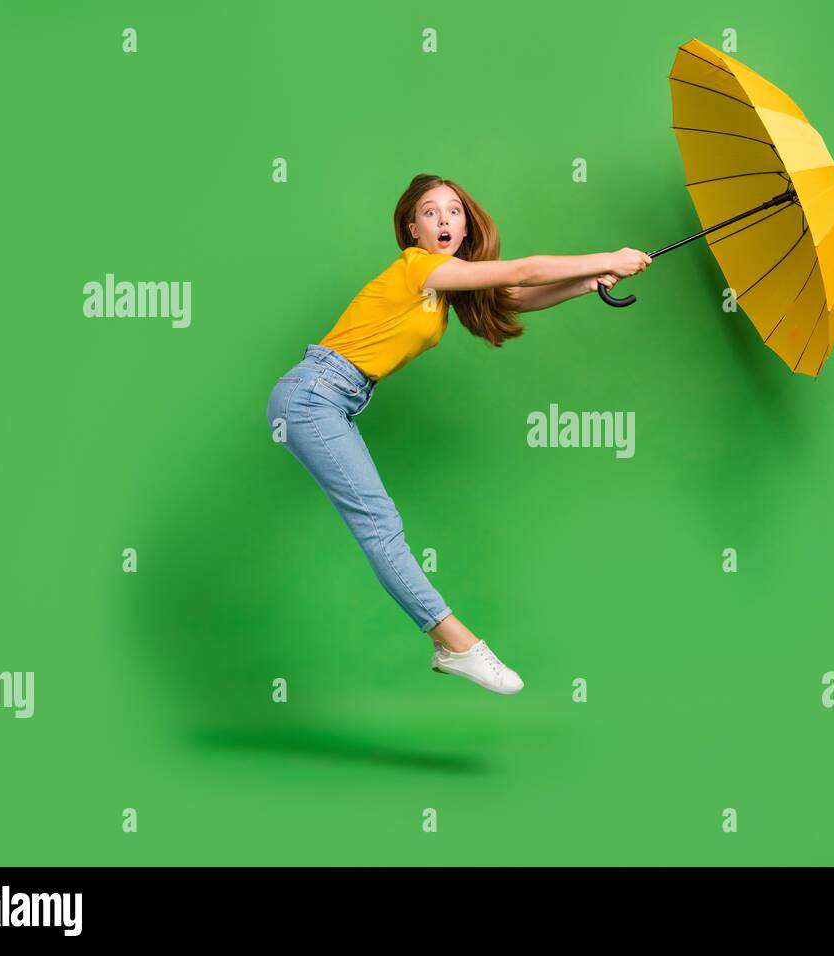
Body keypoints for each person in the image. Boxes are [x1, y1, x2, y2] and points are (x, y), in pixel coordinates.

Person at [266, 173, 652, 695]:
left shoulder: (444, 286)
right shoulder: (418, 268)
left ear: (466, 225)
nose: (445, 219)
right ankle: (457, 643)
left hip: (332, 398)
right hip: (313, 395)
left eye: (453, 211)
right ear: (412, 229)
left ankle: (454, 646)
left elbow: (513, 294)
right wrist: (609, 256)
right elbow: (522, 268)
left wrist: (587, 284)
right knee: (380, 526)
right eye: (431, 212)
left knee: (379, 525)